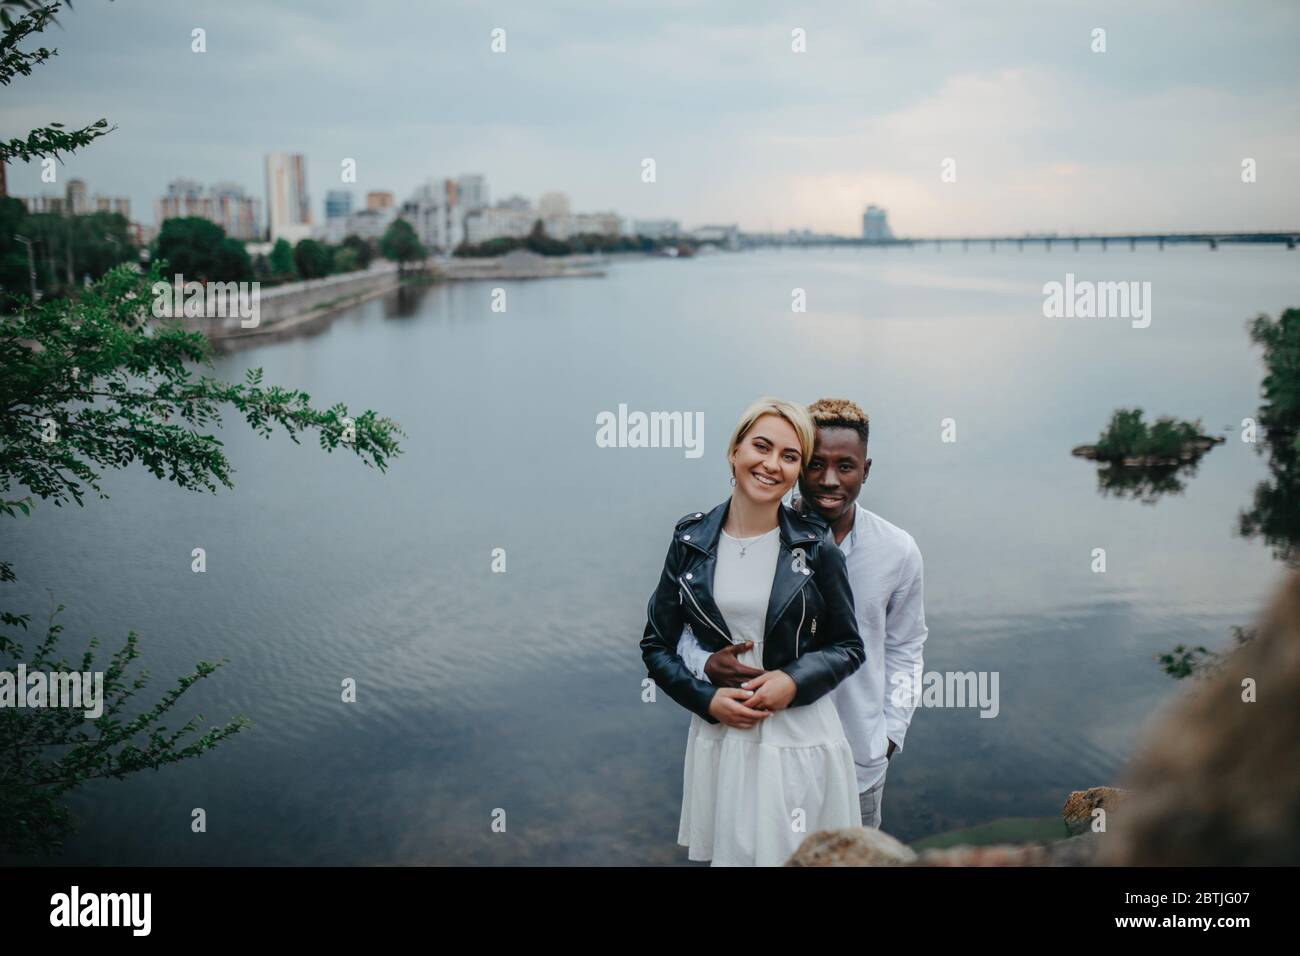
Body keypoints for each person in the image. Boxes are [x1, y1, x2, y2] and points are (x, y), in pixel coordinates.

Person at [678, 398, 927, 829]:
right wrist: (704, 665)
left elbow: (906, 646)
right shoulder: (751, 534)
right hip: (765, 756)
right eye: (815, 464)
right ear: (797, 466)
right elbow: (687, 628)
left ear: (865, 470)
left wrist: (889, 734)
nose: (829, 480)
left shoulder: (897, 551)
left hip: (857, 764)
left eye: (846, 466)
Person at [640, 397, 865, 866]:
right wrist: (704, 697)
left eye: (789, 456)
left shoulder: (815, 545)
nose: (771, 465)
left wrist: (792, 680)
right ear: (734, 451)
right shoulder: (690, 541)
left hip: (799, 739)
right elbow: (656, 645)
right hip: (723, 737)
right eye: (761, 447)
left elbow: (848, 646)